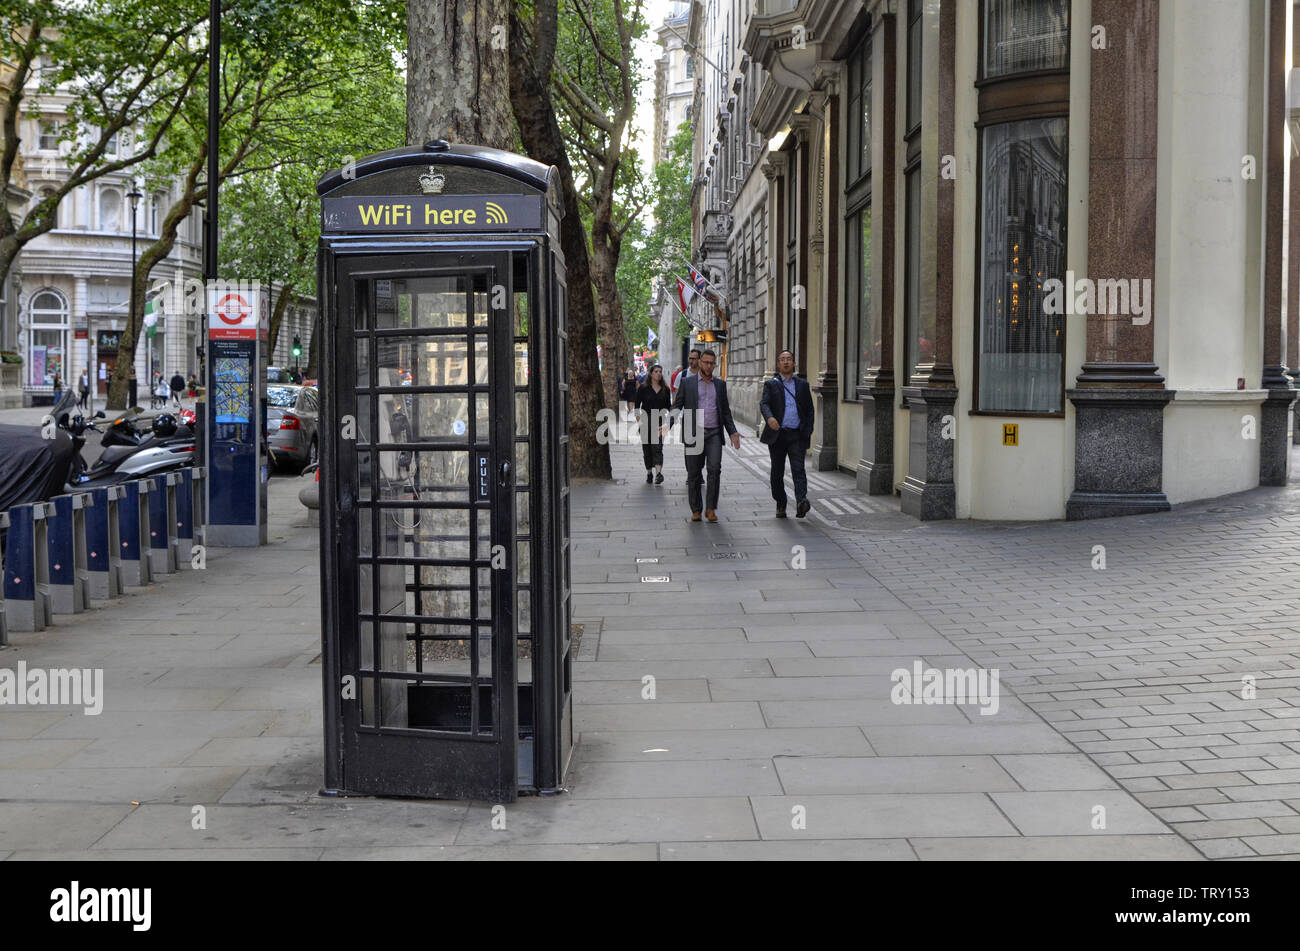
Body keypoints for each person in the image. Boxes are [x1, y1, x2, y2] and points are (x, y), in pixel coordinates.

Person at [670, 349, 739, 522]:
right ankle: (696, 509)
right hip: (694, 433)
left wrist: (732, 432)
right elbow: (677, 405)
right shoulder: (687, 383)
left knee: (714, 469)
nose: (709, 366)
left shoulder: (720, 385)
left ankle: (710, 508)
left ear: (714, 365)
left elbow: (725, 411)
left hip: (714, 432)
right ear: (700, 363)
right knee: (693, 473)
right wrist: (666, 424)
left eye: (711, 363)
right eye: (706, 362)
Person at [760, 349, 816, 518]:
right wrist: (769, 418)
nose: (786, 362)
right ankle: (781, 502)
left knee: (798, 469)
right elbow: (764, 404)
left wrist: (807, 431)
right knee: (777, 472)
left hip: (796, 435)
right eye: (783, 359)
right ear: (778, 364)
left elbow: (809, 410)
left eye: (789, 359)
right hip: (778, 435)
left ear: (794, 363)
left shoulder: (803, 385)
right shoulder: (772, 384)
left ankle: (801, 501)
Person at [636, 364, 672, 484]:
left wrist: (668, 423)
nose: (659, 373)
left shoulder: (666, 390)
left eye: (660, 371)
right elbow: (637, 407)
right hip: (645, 421)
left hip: (660, 422)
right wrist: (639, 421)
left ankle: (658, 474)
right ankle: (649, 473)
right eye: (656, 371)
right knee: (647, 449)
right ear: (651, 374)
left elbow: (669, 408)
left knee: (658, 448)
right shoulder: (643, 388)